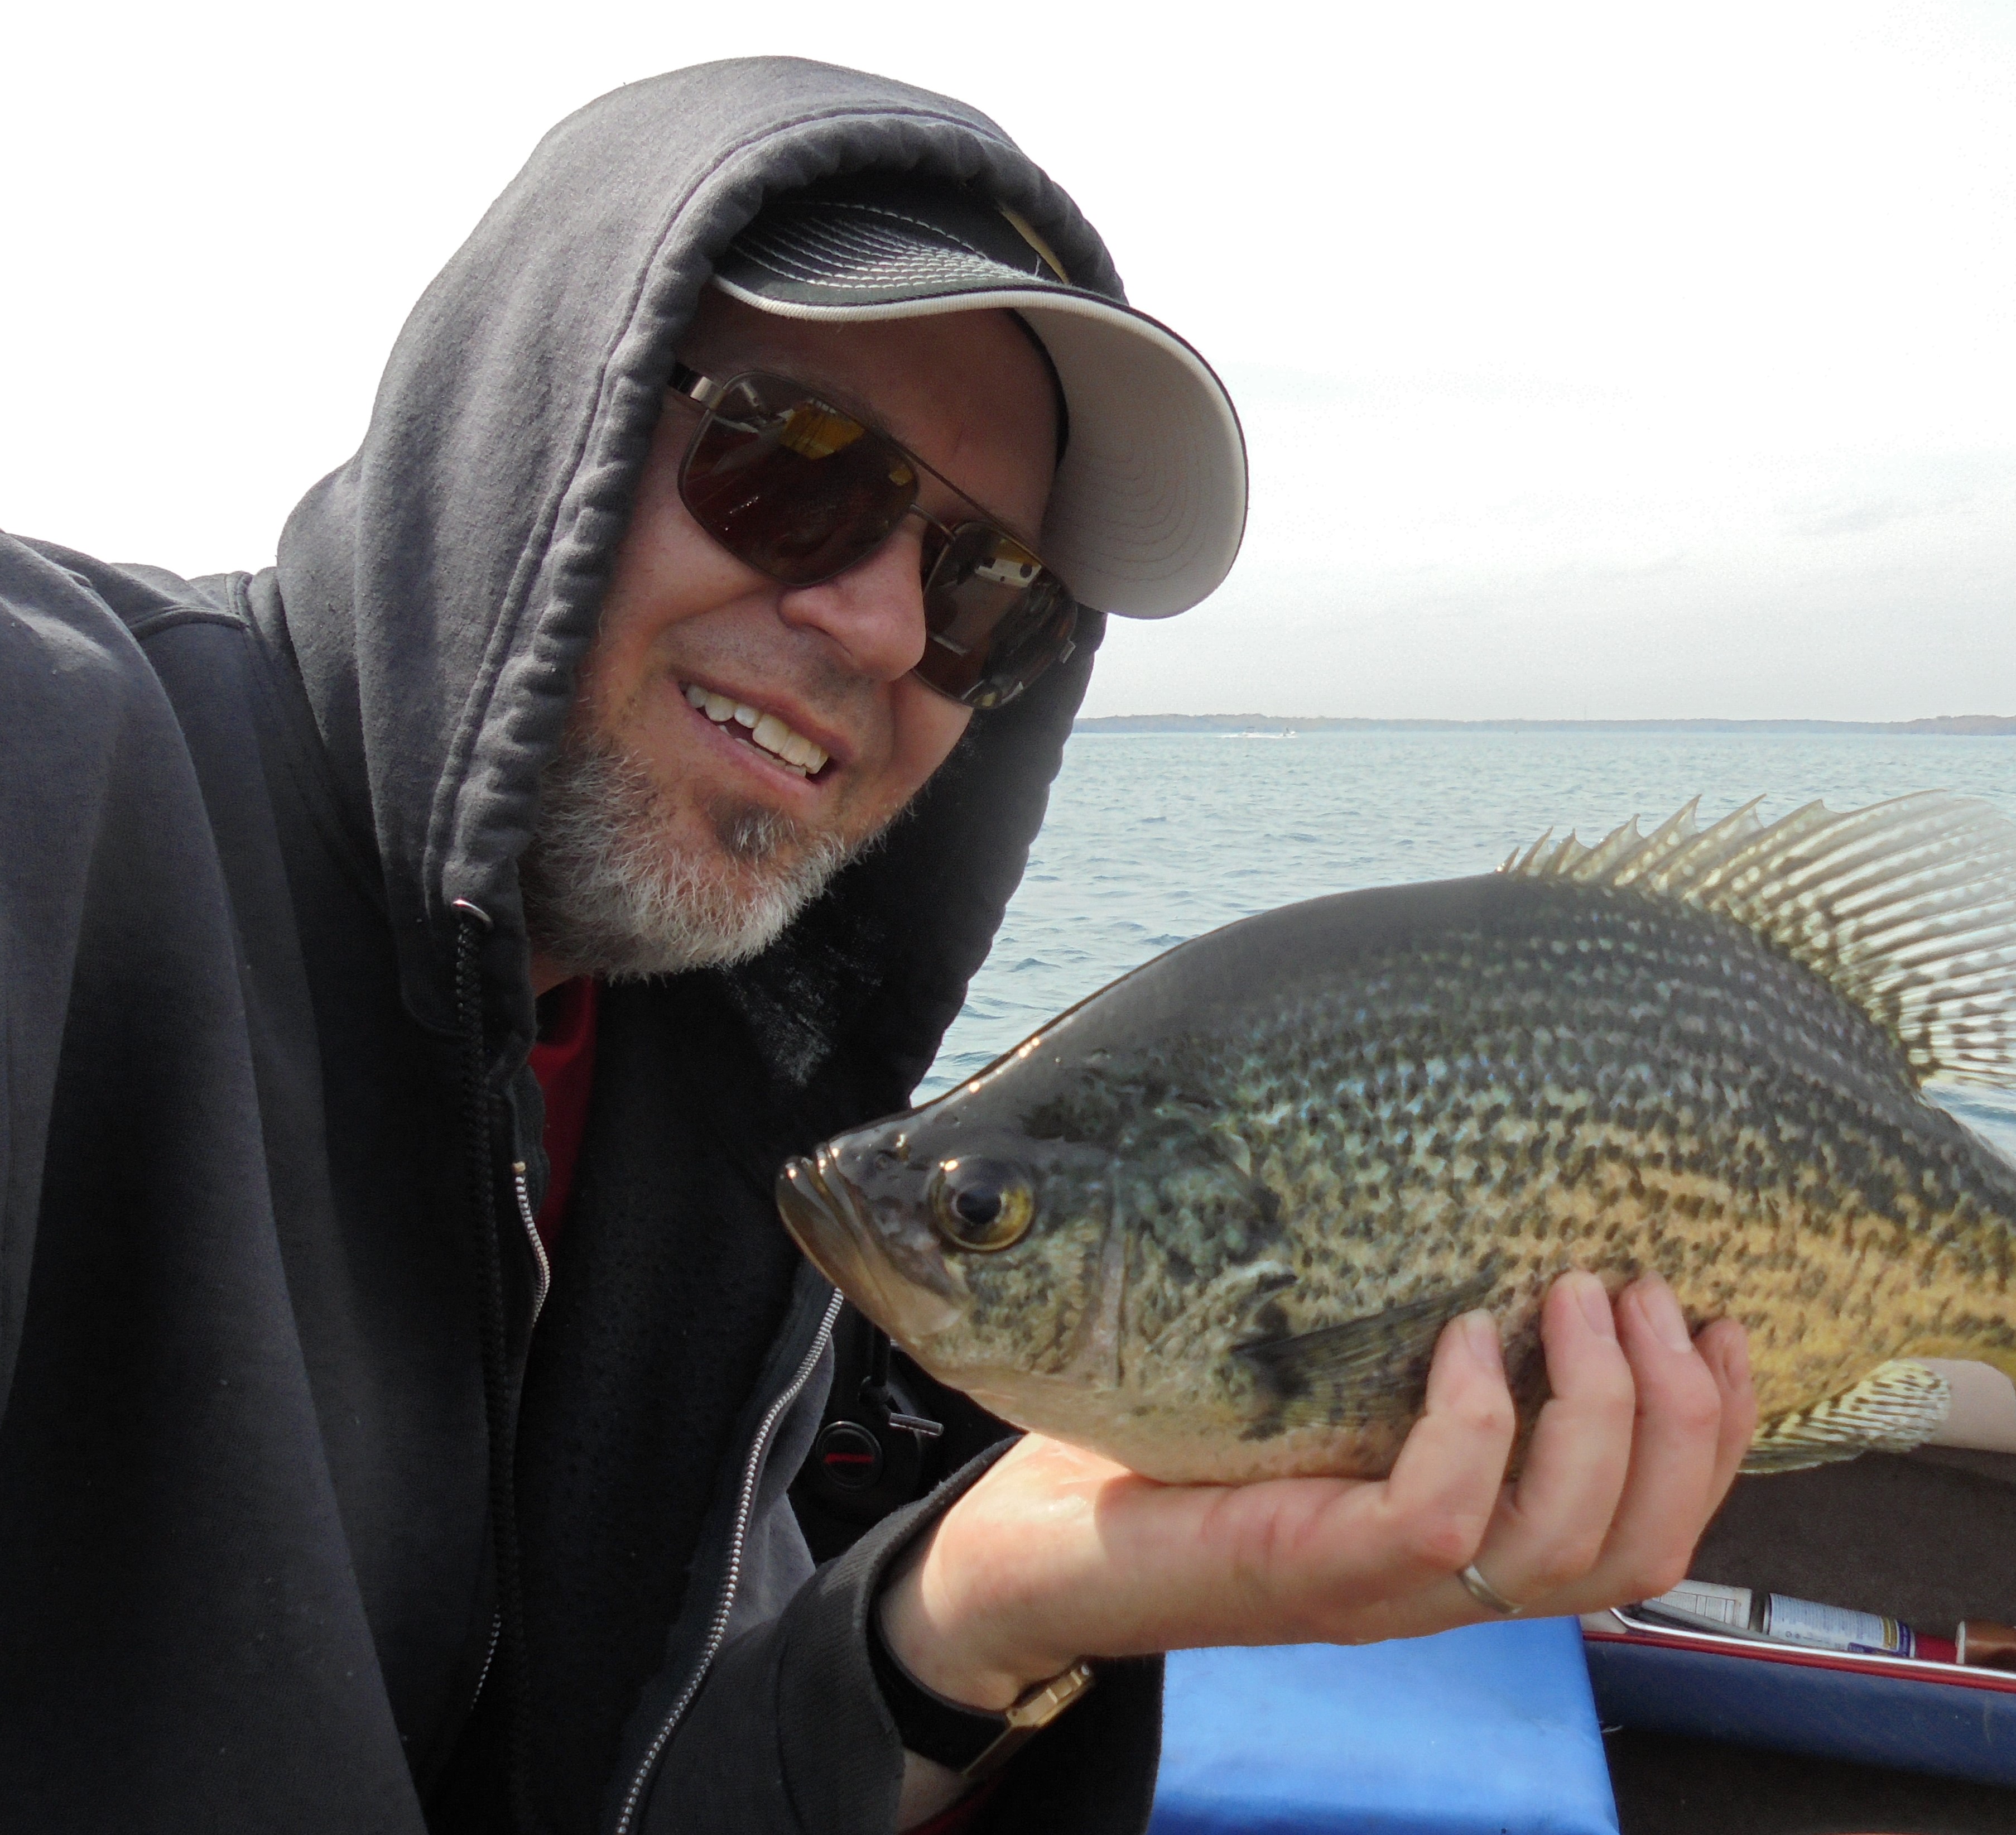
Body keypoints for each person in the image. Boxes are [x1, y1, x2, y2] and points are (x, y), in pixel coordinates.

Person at [0, 56, 1754, 1835]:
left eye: (989, 589)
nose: (884, 622)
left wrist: (971, 1608)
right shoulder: (56, 771)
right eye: (794, 464)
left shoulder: (712, 1112)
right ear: (546, 413)